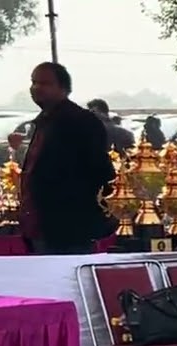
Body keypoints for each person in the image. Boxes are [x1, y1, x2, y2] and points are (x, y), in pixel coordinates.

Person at [20, 62, 115, 255]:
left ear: (63, 88)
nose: (36, 88)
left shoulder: (81, 121)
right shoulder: (43, 122)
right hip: (39, 226)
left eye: (45, 83)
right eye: (34, 82)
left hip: (70, 228)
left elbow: (101, 171)